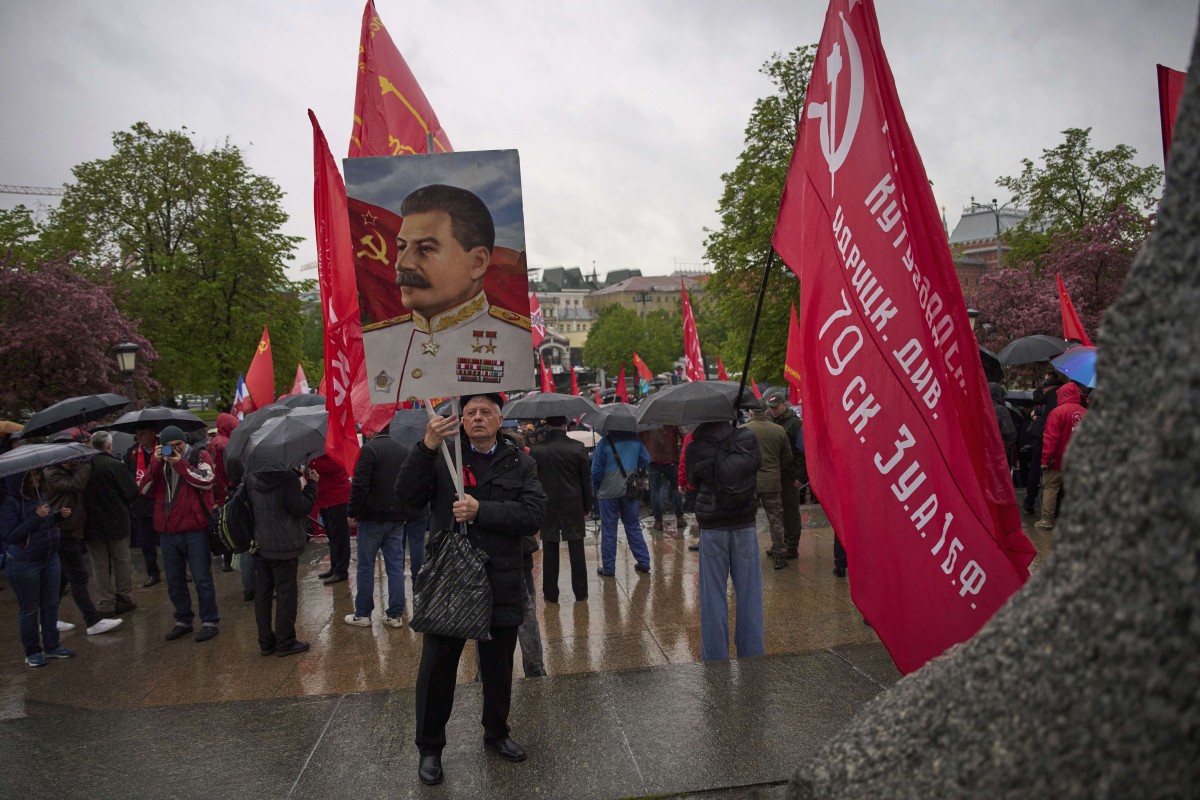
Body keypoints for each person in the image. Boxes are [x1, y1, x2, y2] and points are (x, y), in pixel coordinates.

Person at [395, 393, 546, 786]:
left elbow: (533, 515)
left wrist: (483, 511)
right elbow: (407, 497)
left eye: (485, 413)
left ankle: (496, 732)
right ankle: (430, 748)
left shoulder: (521, 462)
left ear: (499, 420)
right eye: (470, 413)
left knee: (498, 665)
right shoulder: (444, 458)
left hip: (502, 576)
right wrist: (426, 446)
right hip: (452, 577)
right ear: (461, 421)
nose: (477, 418)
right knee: (438, 666)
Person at [361, 184, 532, 404]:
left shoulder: (515, 340)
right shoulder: (376, 342)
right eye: (402, 247)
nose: (402, 264)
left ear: (478, 263)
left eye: (425, 248)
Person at [686, 419, 765, 661]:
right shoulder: (747, 438)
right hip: (744, 524)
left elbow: (693, 482)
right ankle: (752, 654)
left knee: (713, 598)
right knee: (750, 595)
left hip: (713, 528)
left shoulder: (696, 446)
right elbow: (757, 466)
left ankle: (715, 658)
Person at [138, 425, 220, 643]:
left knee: (202, 578)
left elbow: (206, 480)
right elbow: (144, 489)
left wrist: (179, 463)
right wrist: (156, 464)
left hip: (194, 529)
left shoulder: (198, 455)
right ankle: (183, 620)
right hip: (167, 531)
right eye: (169, 447)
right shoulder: (159, 462)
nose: (174, 450)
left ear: (185, 443)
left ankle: (210, 621)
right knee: (174, 581)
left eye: (178, 446)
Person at [345, 417, 426, 628]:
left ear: (371, 429)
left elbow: (360, 484)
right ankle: (395, 614)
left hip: (371, 518)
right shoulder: (402, 451)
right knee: (395, 567)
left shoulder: (369, 451)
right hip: (397, 518)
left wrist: (353, 511)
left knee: (365, 567)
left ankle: (363, 613)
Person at [1, 470, 76, 667]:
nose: (37, 479)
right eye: (31, 476)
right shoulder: (11, 503)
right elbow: (10, 536)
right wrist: (35, 516)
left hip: (49, 557)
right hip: (24, 562)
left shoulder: (40, 495)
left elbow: (45, 522)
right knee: (29, 609)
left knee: (50, 604)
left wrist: (57, 516)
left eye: (37, 475)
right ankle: (32, 651)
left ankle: (52, 645)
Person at [44, 454, 123, 636]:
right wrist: (85, 465)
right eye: (70, 459)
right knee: (78, 577)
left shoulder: (59, 471)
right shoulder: (52, 474)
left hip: (69, 531)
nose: (73, 463)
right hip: (63, 532)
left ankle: (48, 619)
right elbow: (76, 485)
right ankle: (92, 620)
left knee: (62, 579)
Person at [247, 465, 319, 656]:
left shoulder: (252, 477)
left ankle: (265, 641)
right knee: (286, 593)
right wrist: (312, 485)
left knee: (262, 593)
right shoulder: (288, 479)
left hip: (260, 543)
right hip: (284, 545)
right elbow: (300, 508)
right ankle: (285, 641)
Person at [529, 416, 593, 602]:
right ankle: (581, 593)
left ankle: (551, 594)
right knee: (576, 548)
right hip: (573, 503)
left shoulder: (537, 450)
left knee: (549, 548)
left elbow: (533, 481)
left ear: (547, 425)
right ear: (565, 425)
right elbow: (585, 482)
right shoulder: (577, 447)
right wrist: (587, 505)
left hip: (547, 504)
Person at [82, 431, 139, 615]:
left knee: (99, 566)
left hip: (91, 524)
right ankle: (124, 598)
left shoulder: (83, 467)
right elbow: (131, 492)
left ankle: (105, 603)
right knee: (121, 562)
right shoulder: (115, 465)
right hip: (117, 522)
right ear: (109, 446)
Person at [591, 428, 652, 576]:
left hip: (608, 491)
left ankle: (609, 568)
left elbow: (596, 470)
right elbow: (646, 460)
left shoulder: (604, 442)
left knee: (609, 530)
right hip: (629, 489)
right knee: (633, 526)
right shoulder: (635, 440)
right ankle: (644, 562)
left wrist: (596, 486)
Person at [744, 401, 793, 570]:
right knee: (776, 519)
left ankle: (746, 555)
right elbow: (787, 456)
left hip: (750, 482)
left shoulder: (744, 430)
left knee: (748, 520)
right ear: (766, 412)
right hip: (772, 481)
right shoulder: (778, 430)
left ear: (751, 412)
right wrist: (775, 467)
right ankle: (780, 554)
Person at [1037, 381, 1088, 531]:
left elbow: (1051, 438)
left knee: (1051, 488)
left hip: (1057, 461)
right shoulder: (1084, 412)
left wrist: (1045, 460)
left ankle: (1047, 520)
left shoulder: (1057, 412)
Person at [766, 390, 807, 560]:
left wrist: (801, 476)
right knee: (778, 511)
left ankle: (792, 545)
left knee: (790, 511)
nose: (773, 410)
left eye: (776, 407)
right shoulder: (770, 420)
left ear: (785, 405)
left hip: (790, 475)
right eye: (771, 408)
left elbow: (802, 452)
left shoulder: (795, 424)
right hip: (776, 473)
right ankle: (780, 543)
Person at [125, 427, 162, 586]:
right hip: (141, 503)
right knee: (146, 543)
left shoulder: (163, 448)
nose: (138, 436)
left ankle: (181, 570)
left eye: (142, 433)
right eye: (137, 433)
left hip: (161, 500)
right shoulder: (132, 453)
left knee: (168, 541)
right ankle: (152, 572)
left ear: (153, 433)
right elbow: (128, 476)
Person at [1024, 375, 1064, 514]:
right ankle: (1055, 507)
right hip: (1057, 434)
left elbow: (1037, 399)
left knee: (1035, 469)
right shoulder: (1063, 396)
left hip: (1042, 433)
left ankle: (1030, 501)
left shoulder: (1051, 393)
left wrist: (1041, 387)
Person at [310, 454, 351, 585]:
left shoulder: (332, 449)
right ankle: (335, 566)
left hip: (337, 498)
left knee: (340, 537)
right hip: (325, 498)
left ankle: (341, 571)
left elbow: (336, 465)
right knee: (332, 536)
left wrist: (313, 463)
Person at [641, 424, 686, 534]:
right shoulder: (671, 417)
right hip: (671, 458)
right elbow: (684, 435)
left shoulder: (648, 418)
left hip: (653, 459)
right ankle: (679, 518)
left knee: (655, 491)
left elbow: (641, 436)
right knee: (676, 488)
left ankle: (658, 521)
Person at [208, 413, 239, 572]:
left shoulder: (214, 442)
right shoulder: (225, 444)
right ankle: (230, 560)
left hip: (218, 491)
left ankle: (226, 559)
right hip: (227, 489)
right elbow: (230, 470)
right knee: (231, 526)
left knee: (223, 525)